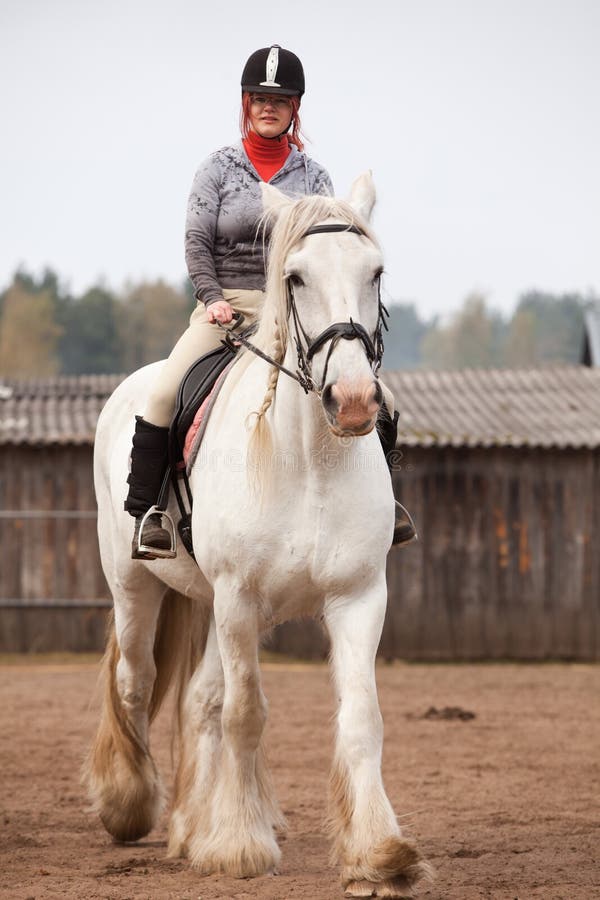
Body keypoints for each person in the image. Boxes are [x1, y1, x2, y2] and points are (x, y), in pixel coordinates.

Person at [124, 44, 416, 559]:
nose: (268, 106)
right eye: (259, 97)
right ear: (245, 102)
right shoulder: (216, 169)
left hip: (298, 314)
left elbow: (329, 254)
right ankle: (148, 513)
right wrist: (211, 299)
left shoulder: (315, 178)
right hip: (228, 308)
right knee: (164, 392)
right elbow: (197, 242)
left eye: (279, 100)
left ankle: (384, 504)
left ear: (294, 108)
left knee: (384, 401)